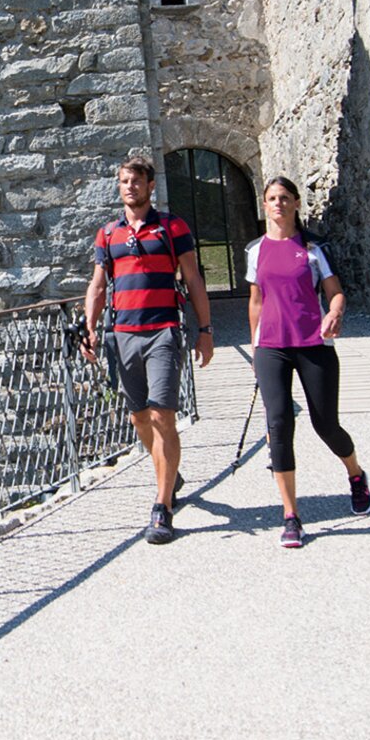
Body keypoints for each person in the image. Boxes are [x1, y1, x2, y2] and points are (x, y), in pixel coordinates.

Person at [82, 156, 215, 545]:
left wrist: (205, 330)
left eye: (136, 181)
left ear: (150, 185)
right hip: (122, 334)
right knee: (139, 417)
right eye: (124, 181)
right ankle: (168, 473)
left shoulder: (172, 227)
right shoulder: (107, 234)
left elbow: (193, 279)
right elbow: (98, 285)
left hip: (163, 331)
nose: (130, 187)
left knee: (162, 415)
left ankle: (162, 506)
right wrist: (90, 328)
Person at [245, 176, 366, 549]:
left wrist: (336, 313)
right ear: (264, 205)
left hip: (314, 343)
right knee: (279, 423)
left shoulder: (314, 248)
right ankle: (291, 516)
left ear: (296, 203)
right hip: (272, 346)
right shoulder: (255, 250)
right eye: (271, 198)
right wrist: (255, 348)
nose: (278, 204)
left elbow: (336, 293)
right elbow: (256, 301)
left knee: (326, 424)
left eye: (284, 198)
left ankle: (356, 474)